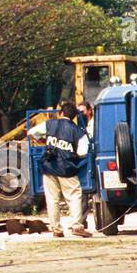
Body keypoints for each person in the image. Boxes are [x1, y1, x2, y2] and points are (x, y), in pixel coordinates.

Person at [29, 102, 92, 238]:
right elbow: (82, 152)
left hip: (49, 167)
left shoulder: (50, 124)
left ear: (61, 113)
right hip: (67, 169)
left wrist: (42, 142)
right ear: (74, 116)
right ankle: (76, 226)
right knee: (74, 196)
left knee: (52, 199)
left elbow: (31, 132)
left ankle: (56, 229)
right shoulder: (78, 131)